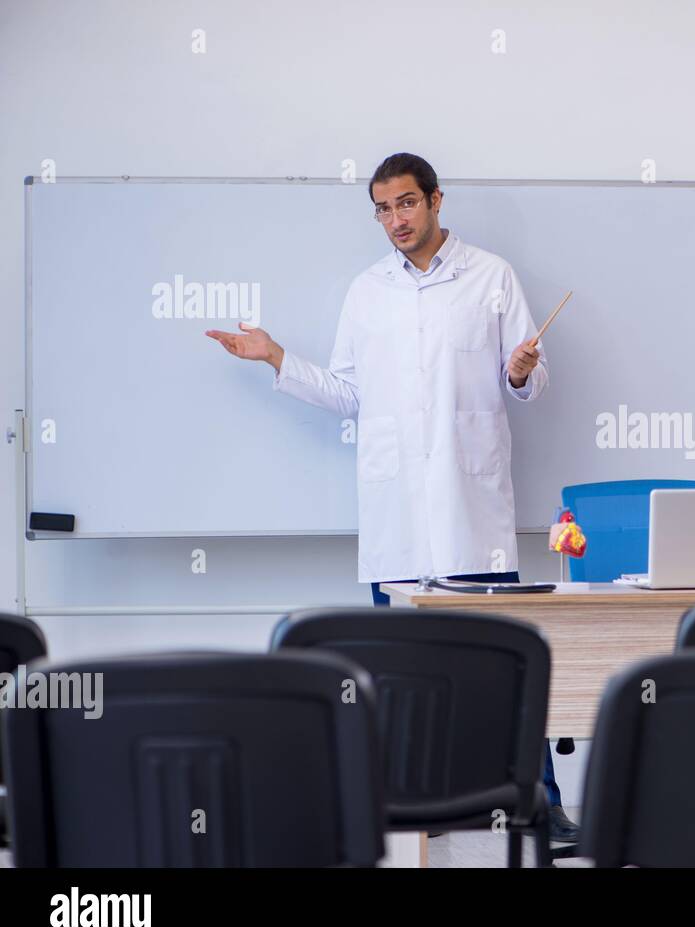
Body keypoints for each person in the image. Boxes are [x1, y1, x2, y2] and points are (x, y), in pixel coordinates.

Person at [206, 152, 579, 844]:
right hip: (396, 514)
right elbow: (349, 392)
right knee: (404, 673)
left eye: (406, 203)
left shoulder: (490, 277)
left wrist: (523, 370)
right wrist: (275, 356)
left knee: (506, 672)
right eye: (382, 208)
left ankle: (541, 803)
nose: (395, 220)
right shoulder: (366, 291)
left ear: (436, 200)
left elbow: (527, 381)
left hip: (473, 510)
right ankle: (413, 809)